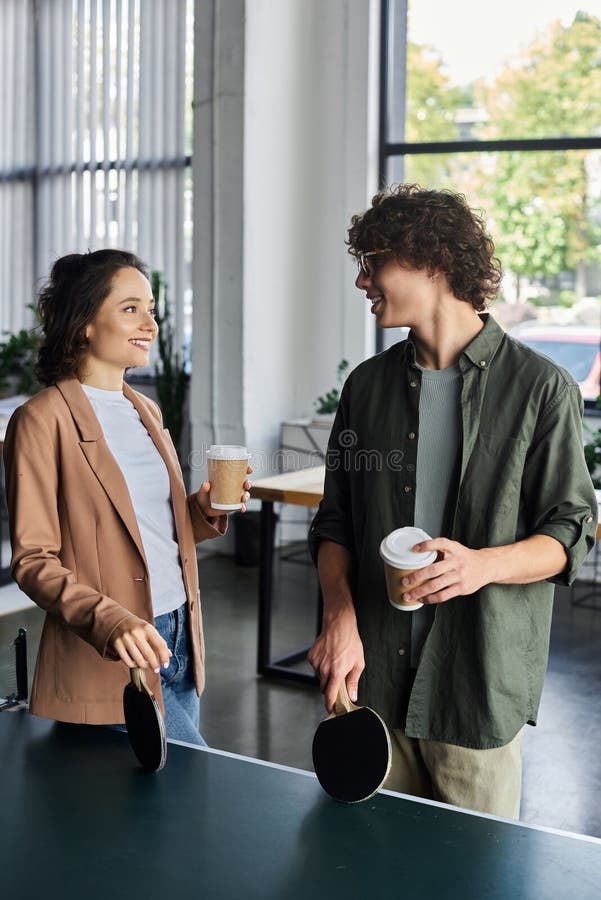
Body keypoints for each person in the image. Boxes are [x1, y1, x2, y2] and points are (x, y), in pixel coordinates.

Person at [307, 184, 598, 818]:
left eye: (373, 262)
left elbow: (572, 529)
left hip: (475, 689)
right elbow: (336, 523)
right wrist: (337, 616)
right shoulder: (366, 387)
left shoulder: (541, 389)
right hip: (371, 686)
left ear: (432, 261)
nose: (362, 281)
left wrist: (480, 566)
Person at [3, 249, 251, 745]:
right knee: (182, 791)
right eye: (130, 308)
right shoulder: (40, 420)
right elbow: (33, 561)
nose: (150, 324)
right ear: (86, 323)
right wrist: (111, 621)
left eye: (152, 309)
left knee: (163, 811)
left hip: (178, 631)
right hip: (114, 649)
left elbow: (149, 527)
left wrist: (201, 513)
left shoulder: (147, 411)